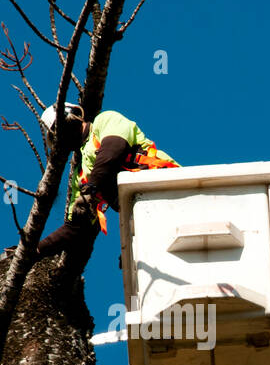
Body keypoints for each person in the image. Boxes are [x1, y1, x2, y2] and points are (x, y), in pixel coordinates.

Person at [36, 103, 178, 258]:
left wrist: (92, 187)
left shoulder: (104, 120)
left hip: (168, 184)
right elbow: (74, 227)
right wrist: (36, 249)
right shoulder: (81, 174)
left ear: (74, 115)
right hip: (145, 212)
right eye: (55, 132)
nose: (61, 133)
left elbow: (114, 147)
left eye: (60, 126)